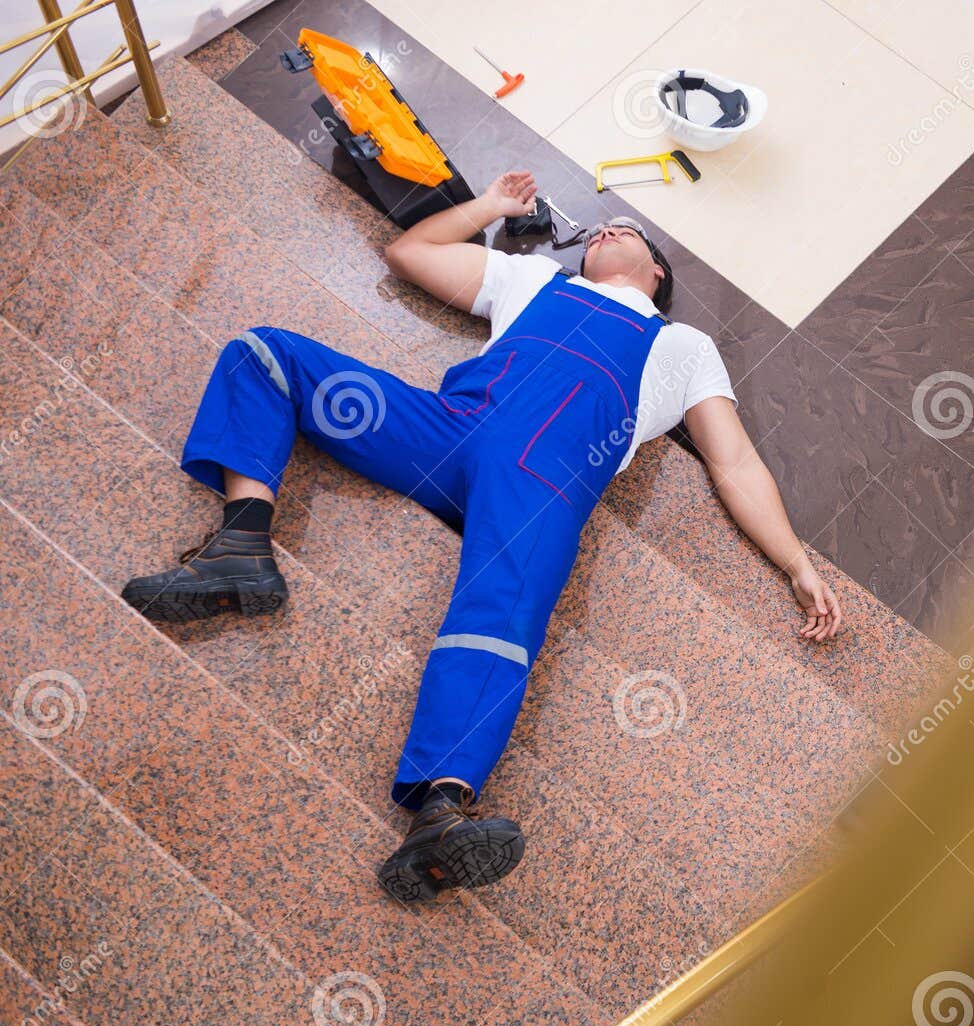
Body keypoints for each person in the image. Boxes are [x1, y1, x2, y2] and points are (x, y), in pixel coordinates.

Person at [120, 171, 843, 902]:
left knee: (500, 618)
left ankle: (440, 810)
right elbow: (410, 253)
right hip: (446, 430)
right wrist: (493, 207)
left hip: (541, 483)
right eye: (599, 230)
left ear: (657, 274)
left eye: (628, 231)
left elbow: (733, 461)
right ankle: (241, 547)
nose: (607, 230)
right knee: (265, 354)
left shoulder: (682, 345)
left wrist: (794, 563)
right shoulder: (534, 281)